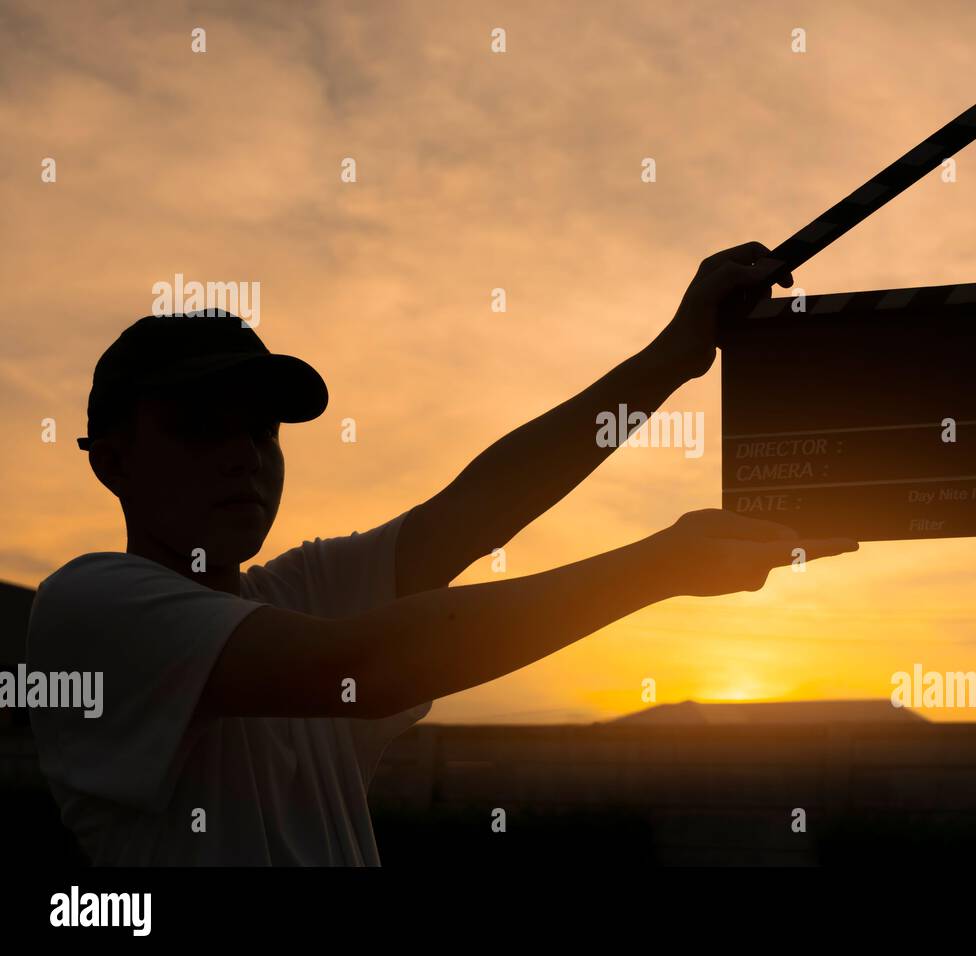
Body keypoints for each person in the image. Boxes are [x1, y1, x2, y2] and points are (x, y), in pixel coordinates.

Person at [26, 242, 857, 865]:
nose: (244, 453)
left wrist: (673, 357)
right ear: (111, 457)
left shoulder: (293, 593)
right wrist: (659, 567)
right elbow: (371, 665)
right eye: (200, 425)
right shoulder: (92, 607)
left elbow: (477, 509)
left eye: (261, 428)